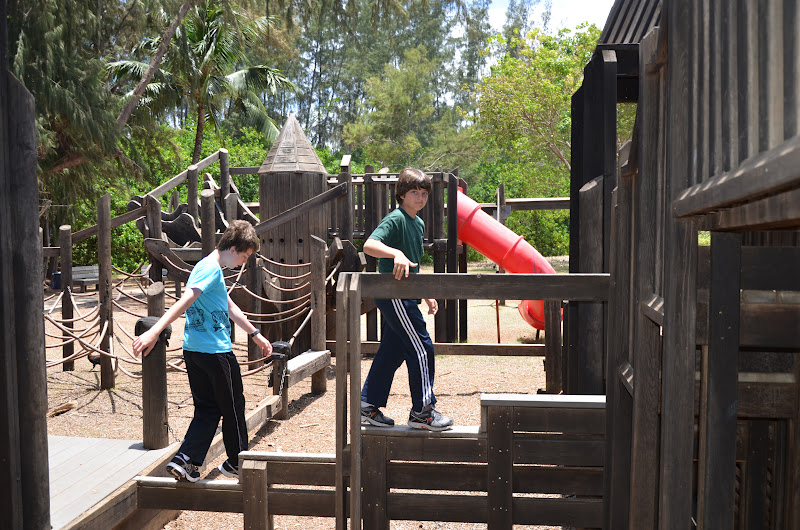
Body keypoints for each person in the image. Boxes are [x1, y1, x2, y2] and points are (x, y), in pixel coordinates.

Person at [133, 220, 273, 482]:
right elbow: (186, 300)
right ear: (232, 248)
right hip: (215, 352)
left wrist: (255, 335)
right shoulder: (209, 269)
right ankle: (239, 461)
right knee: (232, 406)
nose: (243, 263)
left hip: (195, 351)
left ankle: (185, 459)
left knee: (208, 408)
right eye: (243, 256)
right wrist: (155, 330)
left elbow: (230, 308)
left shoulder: (209, 269)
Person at [359, 168, 453, 432]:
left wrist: (426, 292)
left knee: (393, 350)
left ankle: (367, 405)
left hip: (407, 295)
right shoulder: (396, 219)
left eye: (424, 193)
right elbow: (369, 245)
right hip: (394, 295)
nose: (420, 198)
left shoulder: (418, 223)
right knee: (422, 347)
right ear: (401, 194)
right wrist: (395, 253)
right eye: (414, 192)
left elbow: (414, 264)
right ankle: (422, 412)